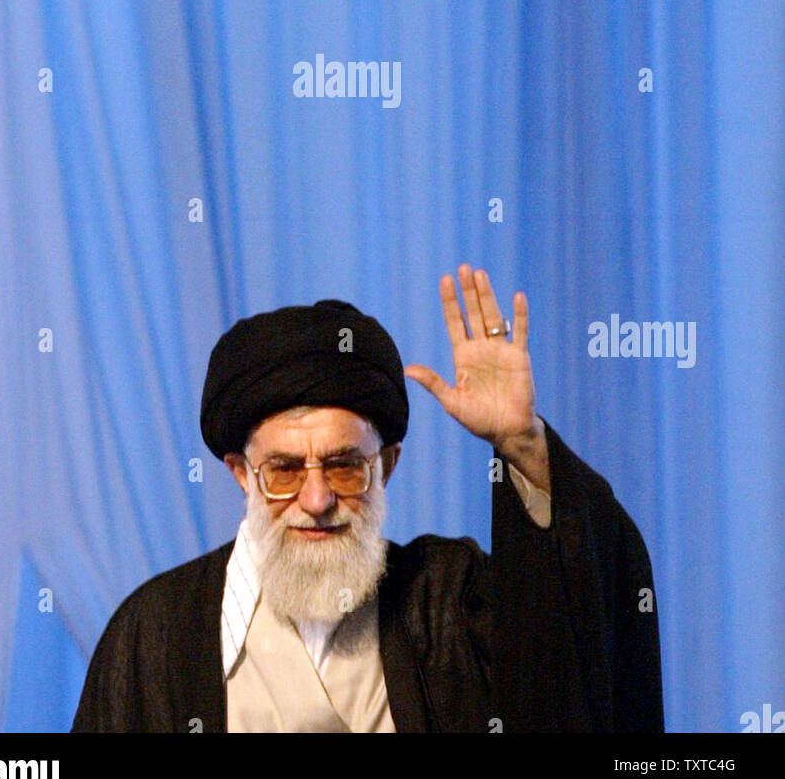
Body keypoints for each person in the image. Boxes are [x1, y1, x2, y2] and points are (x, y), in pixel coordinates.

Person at [71, 264, 664, 733]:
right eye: (283, 470)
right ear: (240, 474)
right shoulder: (155, 635)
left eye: (345, 466)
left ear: (387, 464)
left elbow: (570, 659)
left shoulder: (447, 605)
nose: (318, 497)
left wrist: (523, 446)